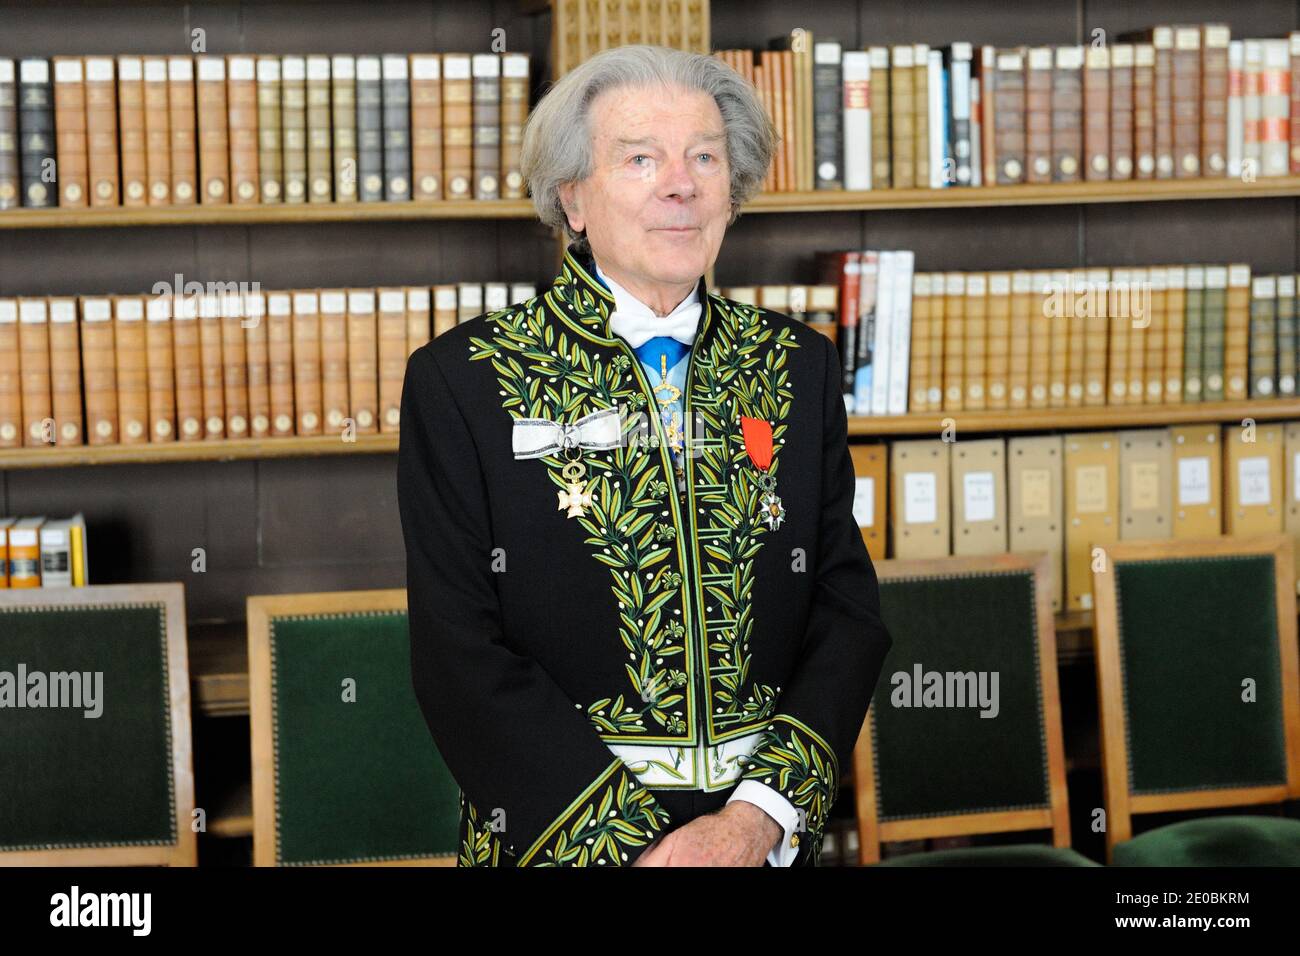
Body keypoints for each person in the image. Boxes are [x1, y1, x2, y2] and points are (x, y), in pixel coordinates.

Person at [397, 43, 892, 867]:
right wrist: (637, 850)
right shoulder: (463, 381)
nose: (680, 184)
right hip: (563, 846)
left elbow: (848, 611)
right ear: (572, 200)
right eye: (640, 159)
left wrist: (755, 822)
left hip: (760, 845)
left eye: (704, 157)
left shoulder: (798, 366)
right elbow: (457, 656)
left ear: (732, 191)